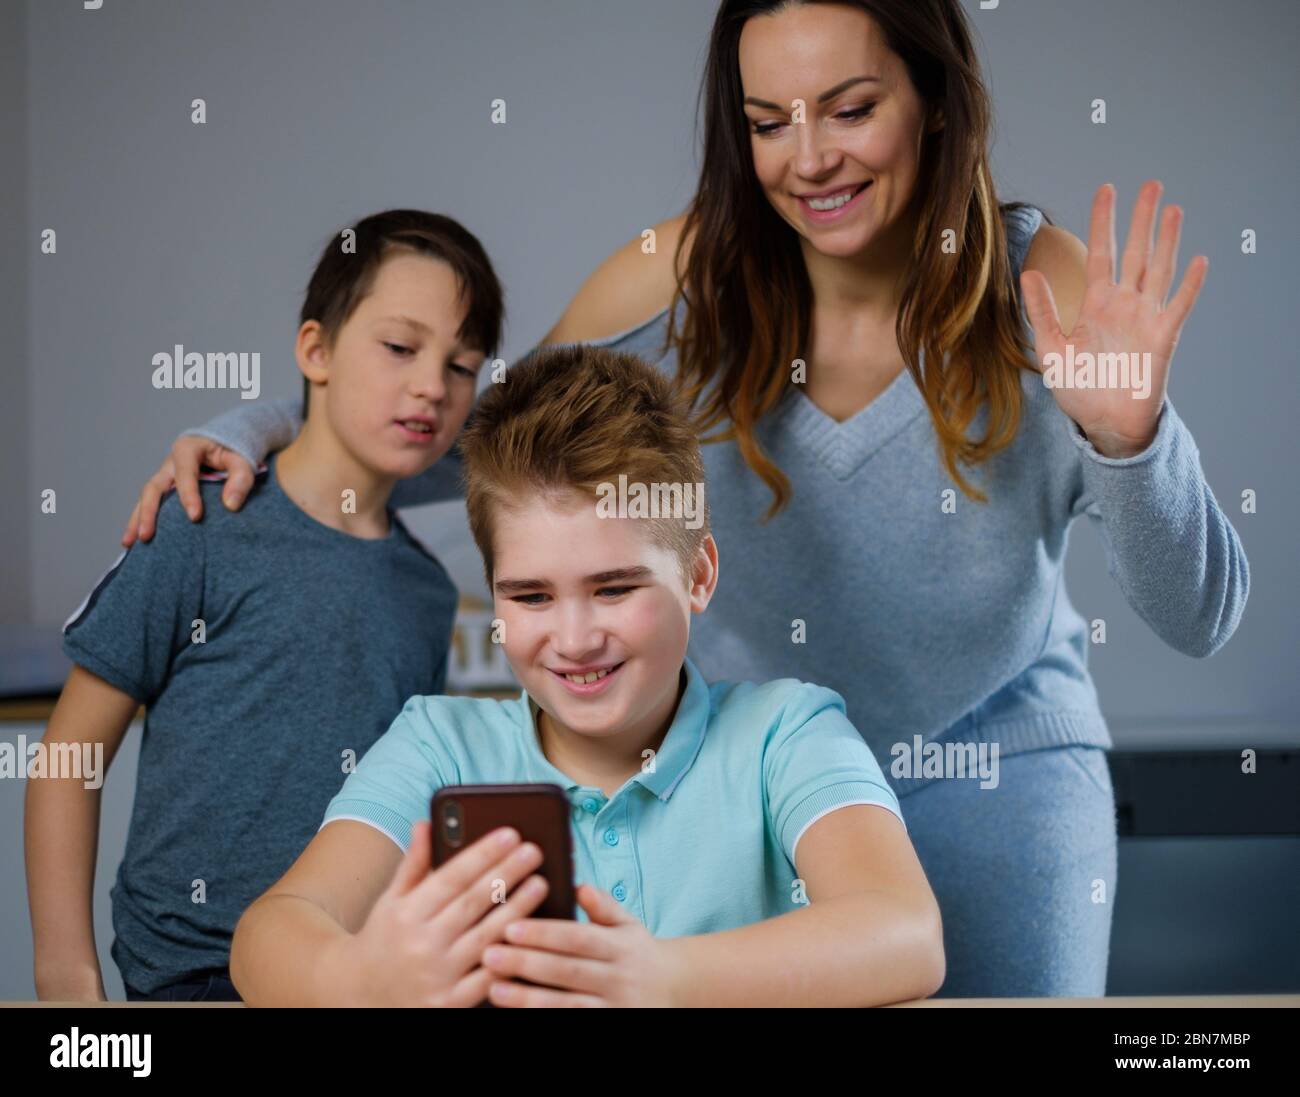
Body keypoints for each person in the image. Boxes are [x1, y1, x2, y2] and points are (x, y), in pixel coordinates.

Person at [121, 1, 1248, 997]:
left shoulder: (1044, 296)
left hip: (996, 768)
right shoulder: (675, 279)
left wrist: (1130, 438)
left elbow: (1200, 612)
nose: (808, 158)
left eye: (849, 108)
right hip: (743, 782)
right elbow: (489, 447)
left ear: (936, 100)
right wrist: (264, 427)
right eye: (768, 122)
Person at [229, 344, 943, 1007]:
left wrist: (664, 977)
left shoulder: (786, 733)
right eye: (531, 596)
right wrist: (359, 979)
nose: (573, 640)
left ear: (697, 574)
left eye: (614, 588)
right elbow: (271, 930)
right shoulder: (438, 746)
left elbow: (906, 931)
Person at [26, 209, 501, 1001]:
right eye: (400, 347)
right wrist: (66, 976)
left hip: (347, 979)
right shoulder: (199, 524)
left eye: (463, 365)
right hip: (190, 976)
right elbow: (69, 757)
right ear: (314, 350)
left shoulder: (425, 591)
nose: (433, 385)